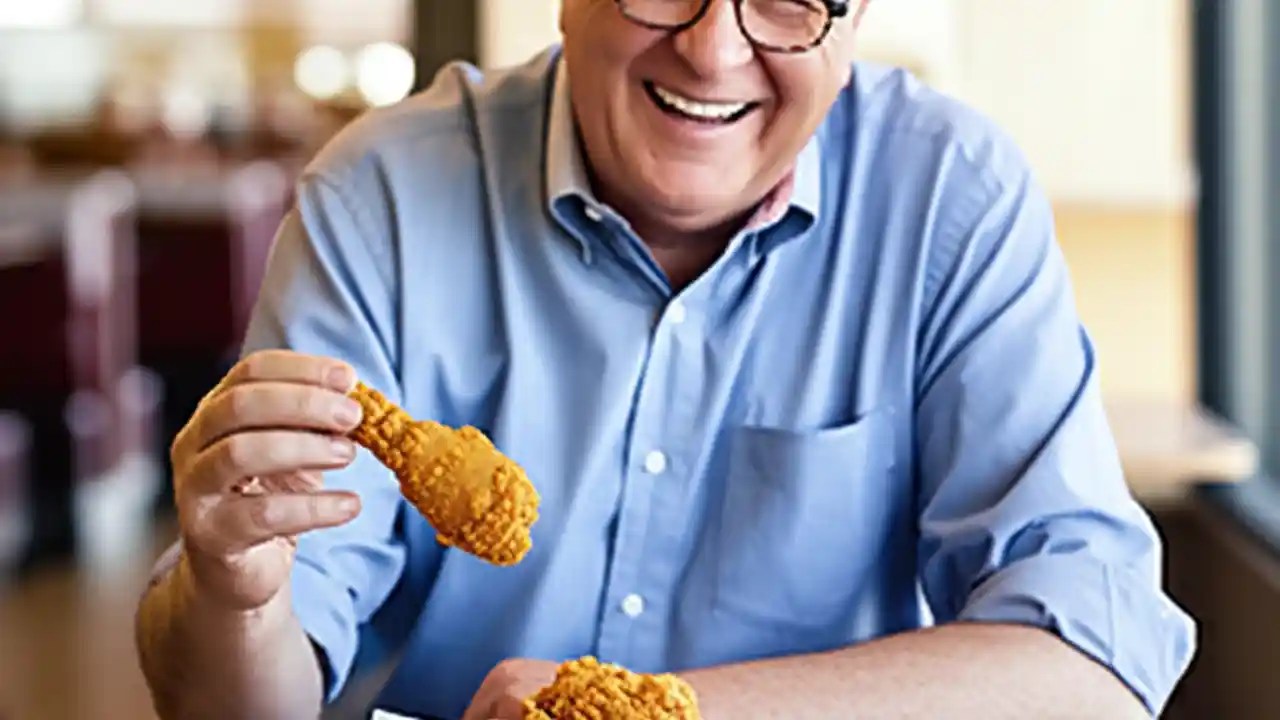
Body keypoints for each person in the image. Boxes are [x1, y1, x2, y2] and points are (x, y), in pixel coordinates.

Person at [135, 1, 1195, 718]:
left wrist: (660, 711)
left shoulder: (949, 202)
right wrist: (233, 592)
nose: (711, 50)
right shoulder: (382, 197)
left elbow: (1090, 655)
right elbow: (241, 698)